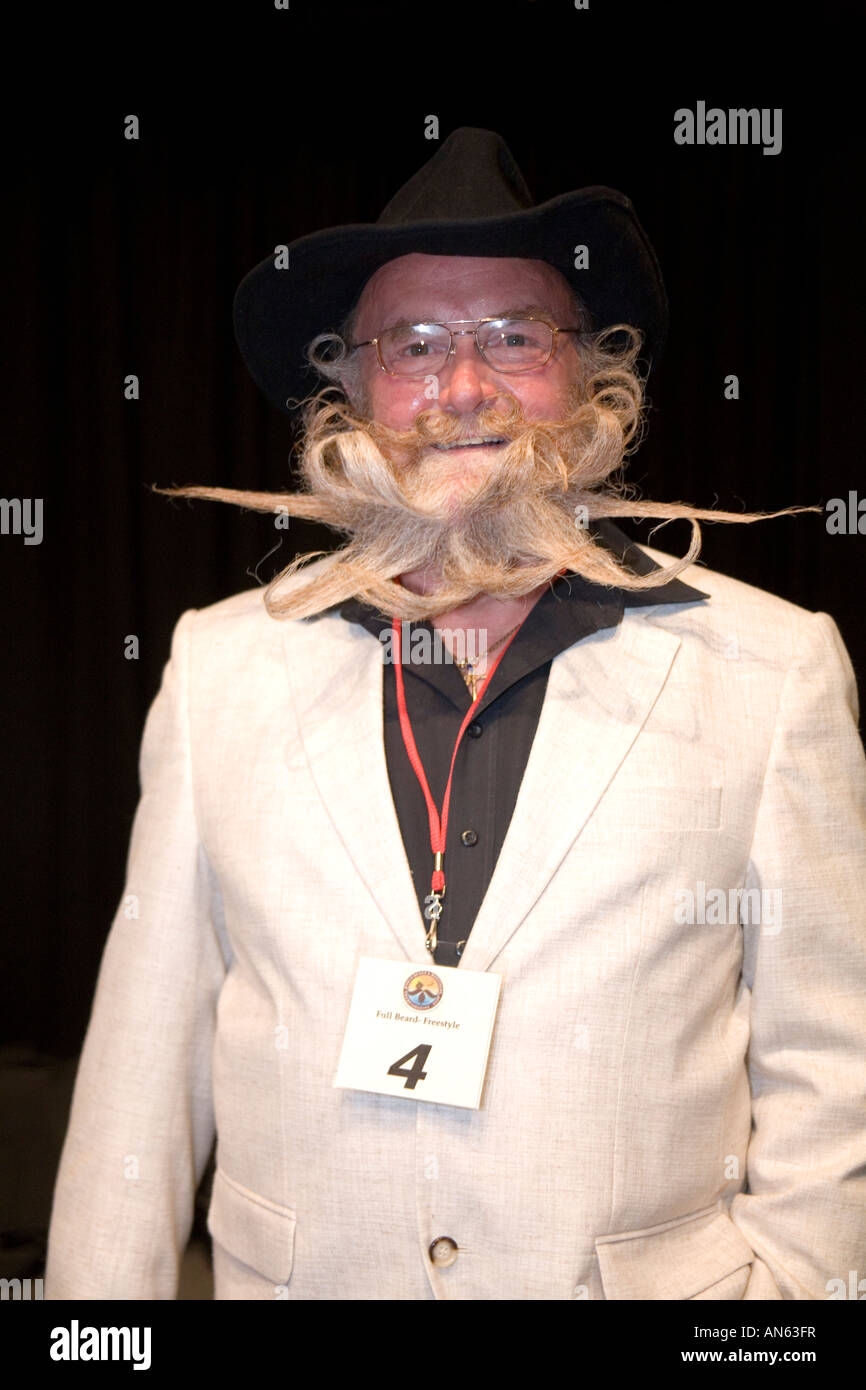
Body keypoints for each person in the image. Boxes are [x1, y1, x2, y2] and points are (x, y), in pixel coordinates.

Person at [45, 128, 866, 1300]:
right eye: (414, 344)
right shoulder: (222, 666)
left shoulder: (769, 667)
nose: (463, 386)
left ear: (589, 374)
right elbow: (142, 1063)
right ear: (355, 385)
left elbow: (831, 1066)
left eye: (513, 338)